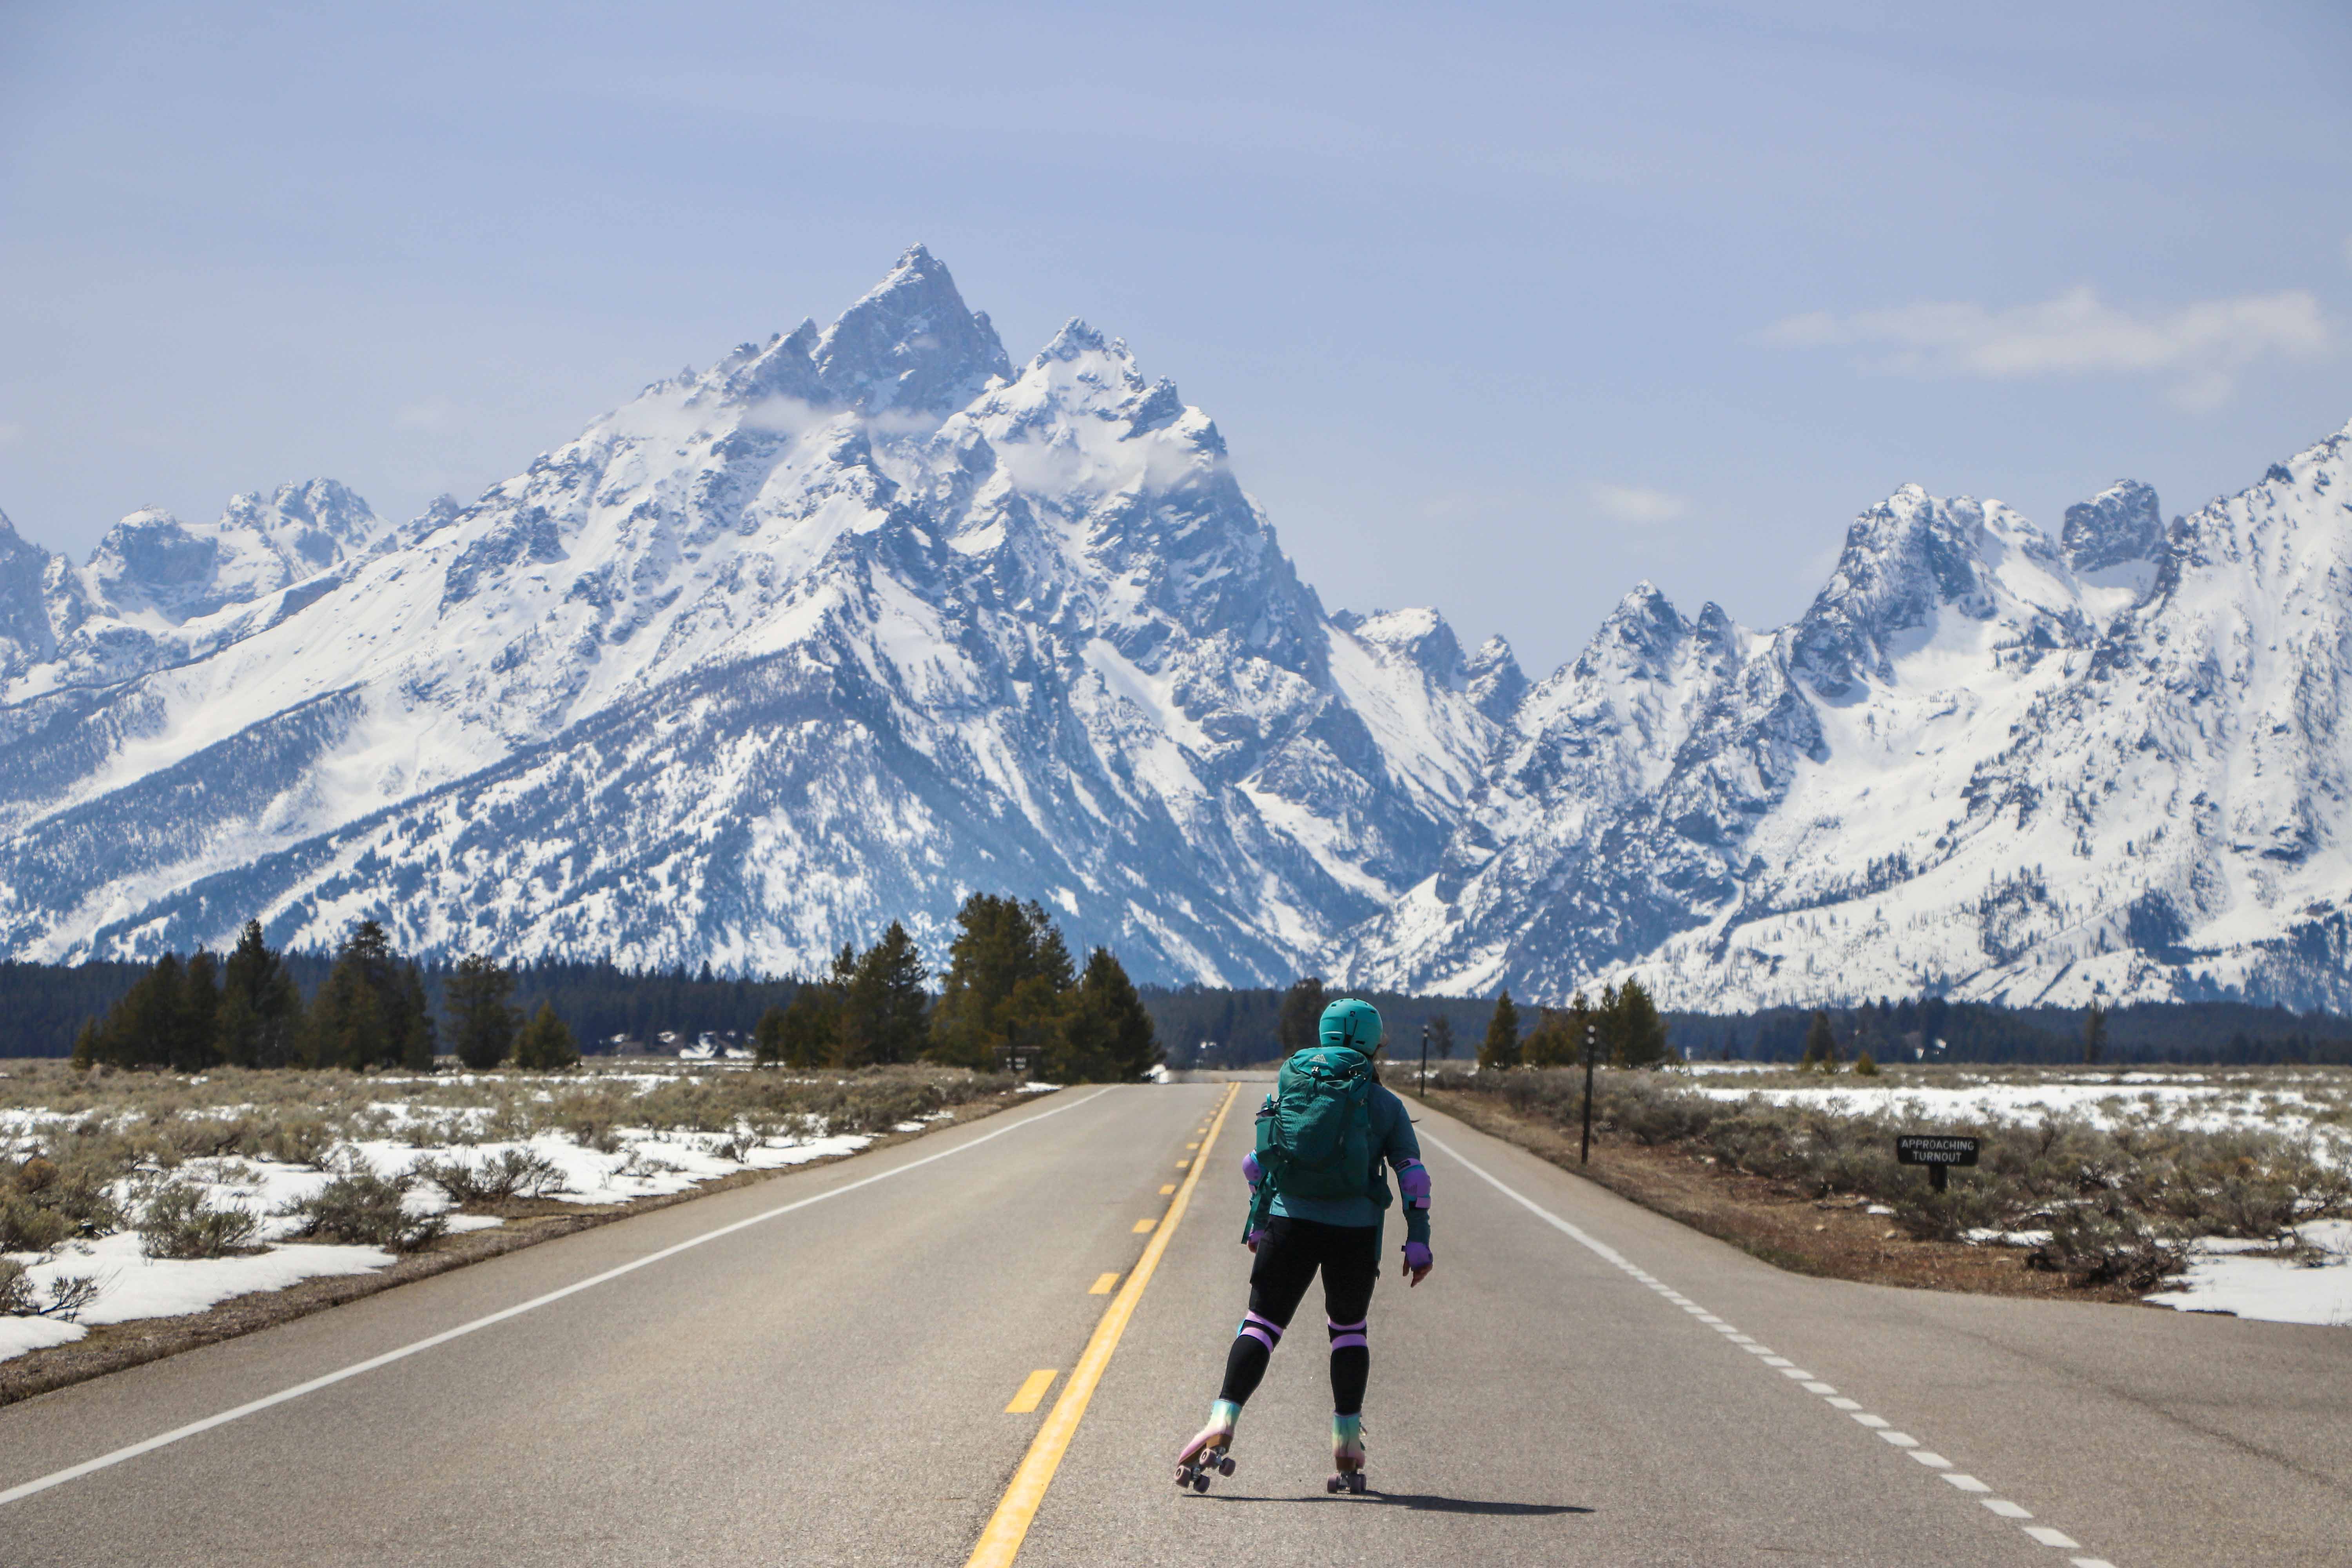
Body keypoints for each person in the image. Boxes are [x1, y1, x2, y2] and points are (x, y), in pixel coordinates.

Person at [1174, 997, 1434, 1493]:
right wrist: (1418, 1241)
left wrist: (1256, 1220)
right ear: (1371, 1044)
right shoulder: (1385, 1104)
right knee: (1348, 1331)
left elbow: (1258, 1164)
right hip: (1354, 1233)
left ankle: (1222, 1417)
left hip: (1288, 1223)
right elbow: (1413, 1177)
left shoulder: (1293, 1083)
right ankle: (1346, 1441)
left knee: (1262, 1324)